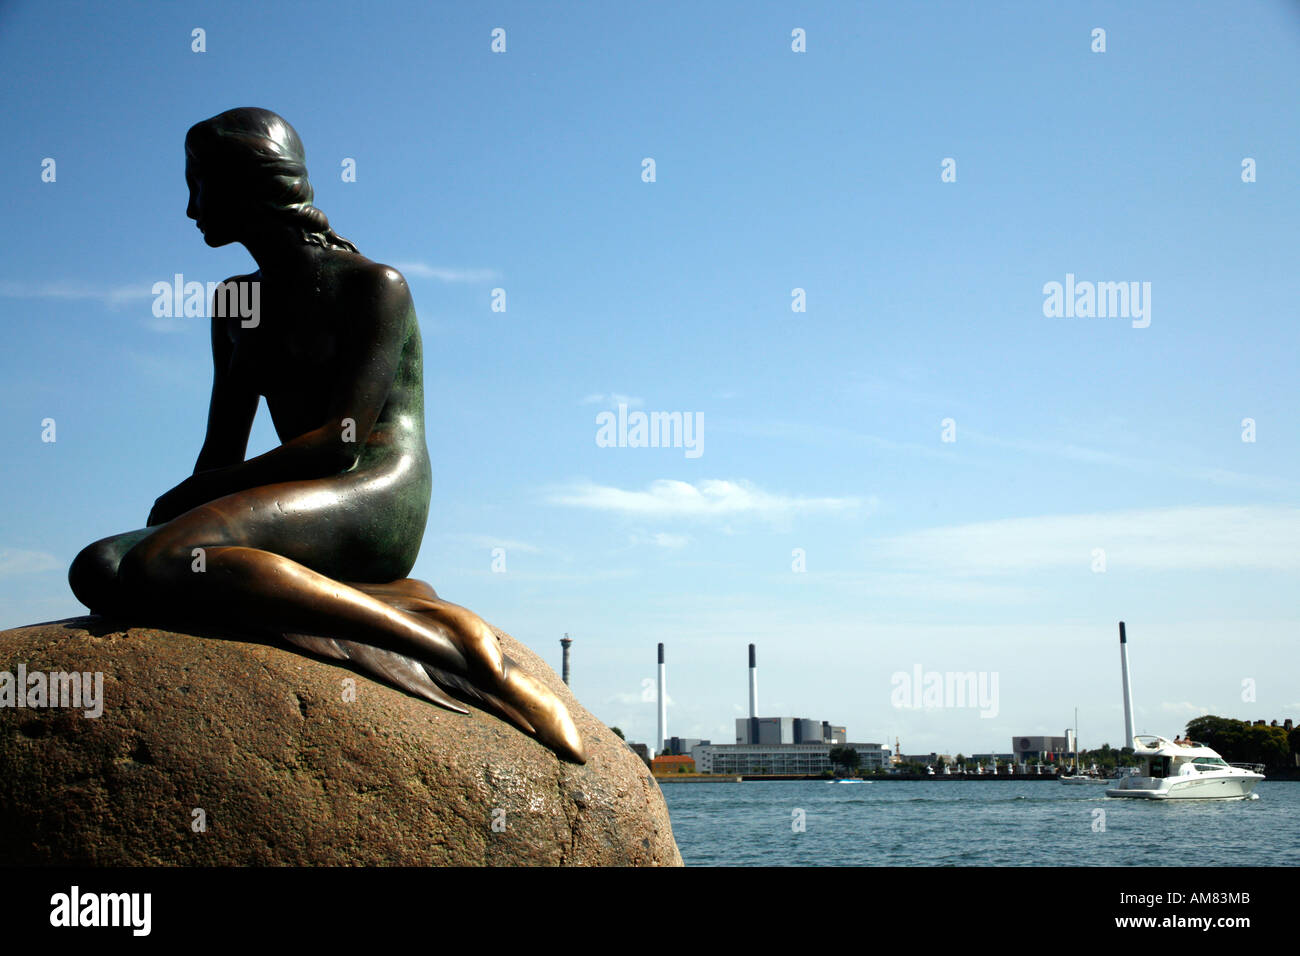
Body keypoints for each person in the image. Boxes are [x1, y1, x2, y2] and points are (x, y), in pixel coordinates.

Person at [68, 108, 584, 763]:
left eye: (200, 183)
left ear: (251, 184)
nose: (190, 207)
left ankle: (454, 653)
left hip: (371, 490)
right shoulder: (235, 303)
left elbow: (340, 440)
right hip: (298, 496)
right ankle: (378, 608)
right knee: (100, 566)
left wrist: (190, 501)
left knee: (165, 556)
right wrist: (186, 500)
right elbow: (222, 450)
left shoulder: (373, 287)